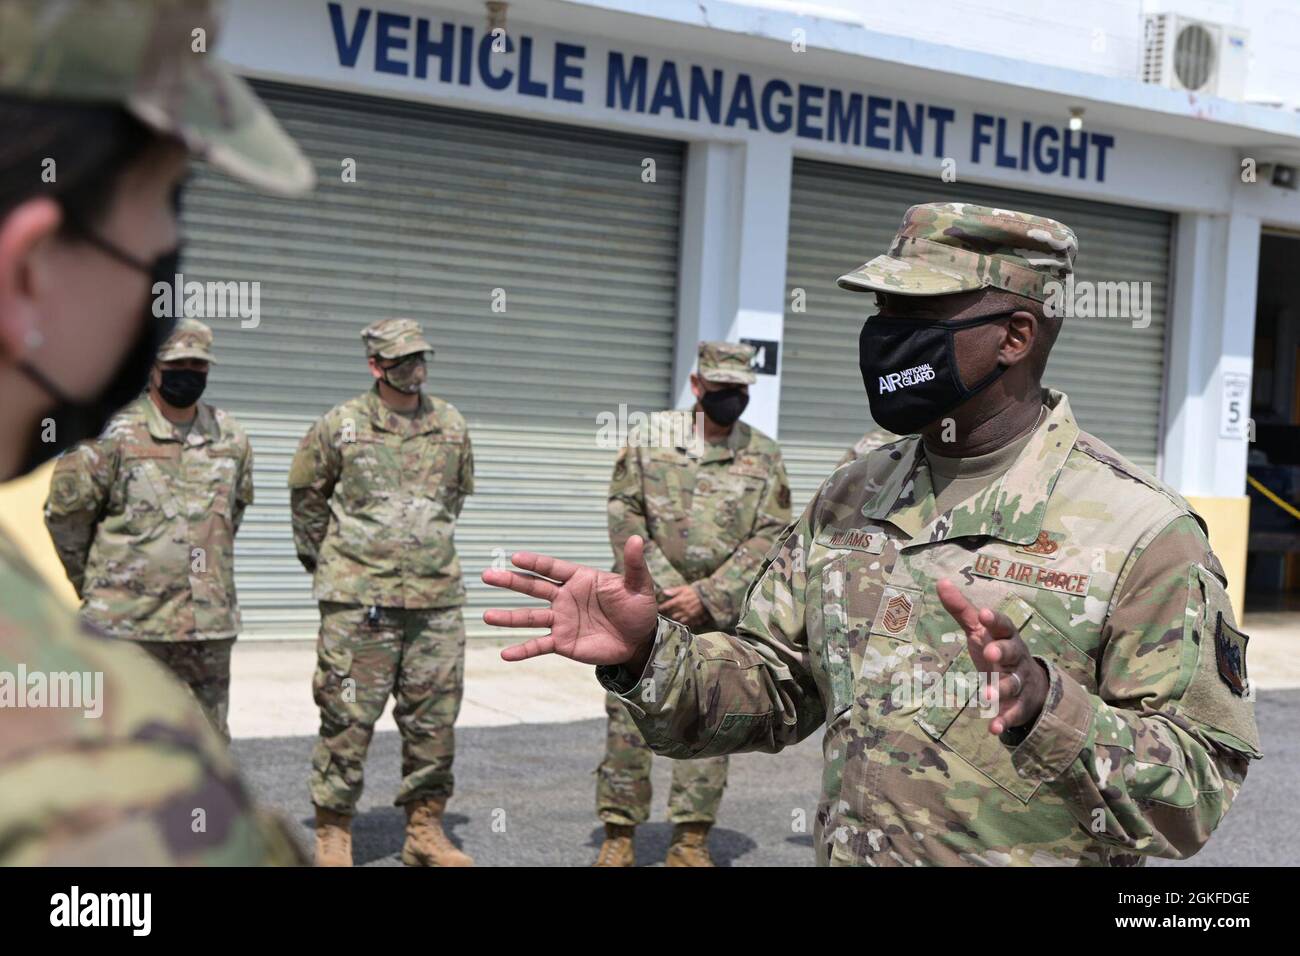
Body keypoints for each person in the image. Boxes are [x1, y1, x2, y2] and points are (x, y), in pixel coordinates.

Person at [483, 202, 1261, 866]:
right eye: (881, 311)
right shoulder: (855, 489)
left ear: (1015, 335)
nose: (884, 333)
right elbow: (773, 686)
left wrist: (1047, 710)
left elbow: (1195, 792)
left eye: (915, 315)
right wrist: (650, 655)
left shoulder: (1142, 530)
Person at [0, 0, 312, 863]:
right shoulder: (114, 784)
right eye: (169, 199)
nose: (173, 244)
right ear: (27, 274)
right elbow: (72, 521)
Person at [596, 341, 791, 867]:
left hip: (716, 617)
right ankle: (619, 834)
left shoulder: (764, 455)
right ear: (698, 385)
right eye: (722, 388)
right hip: (643, 609)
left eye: (741, 390)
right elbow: (624, 513)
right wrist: (661, 589)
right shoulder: (650, 439)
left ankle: (691, 839)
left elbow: (771, 534)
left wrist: (707, 595)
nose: (732, 398)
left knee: (710, 716)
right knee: (630, 718)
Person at [289, 318, 474, 867]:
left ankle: (424, 830)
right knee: (347, 716)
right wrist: (337, 567)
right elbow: (307, 500)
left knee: (433, 721)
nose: (415, 368)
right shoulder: (339, 425)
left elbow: (453, 500)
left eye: (421, 358)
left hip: (435, 600)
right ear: (376, 365)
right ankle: (333, 832)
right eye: (403, 360)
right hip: (358, 601)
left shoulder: (451, 424)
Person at [45, 319, 252, 741]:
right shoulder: (108, 433)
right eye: (178, 364)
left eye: (198, 365)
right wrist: (96, 584)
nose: (189, 373)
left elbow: (231, 514)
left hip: (206, 627)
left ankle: (198, 812)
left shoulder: (230, 436)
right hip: (126, 626)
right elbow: (67, 517)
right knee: (117, 744)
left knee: (206, 746)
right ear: (153, 368)